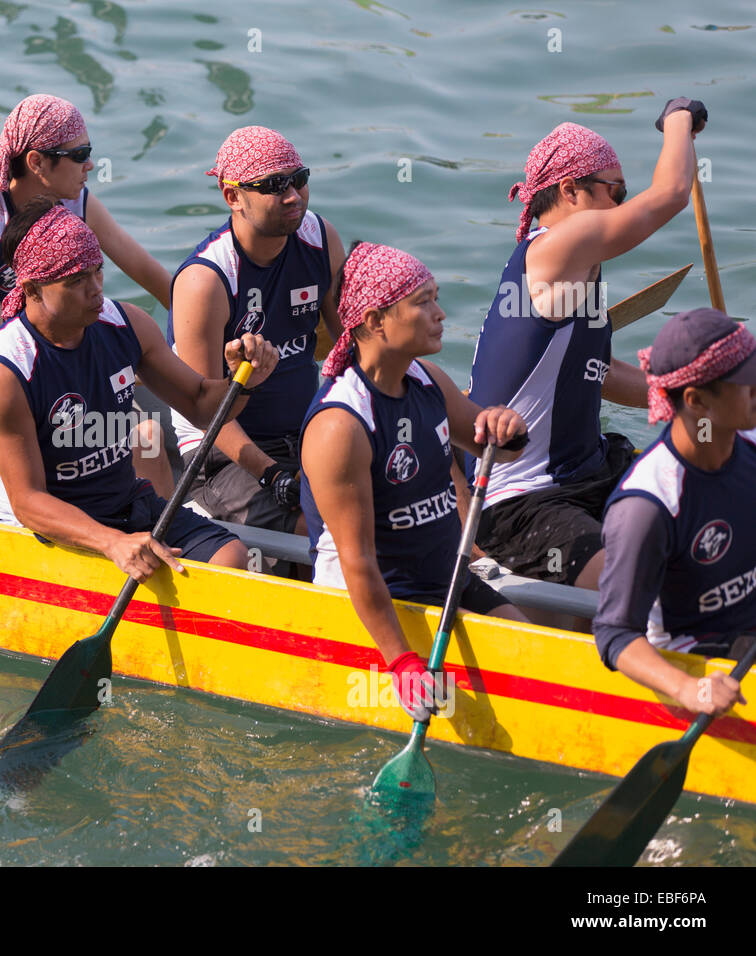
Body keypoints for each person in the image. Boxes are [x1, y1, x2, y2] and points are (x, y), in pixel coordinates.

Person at [0, 197, 280, 582]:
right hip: (46, 529)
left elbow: (201, 405)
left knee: (233, 558)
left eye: (97, 272)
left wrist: (242, 381)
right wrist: (111, 542)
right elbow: (29, 502)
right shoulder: (3, 373)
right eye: (76, 281)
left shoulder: (127, 324)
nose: (96, 289)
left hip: (125, 503)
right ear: (31, 290)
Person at [466, 98, 707, 595]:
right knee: (651, 587)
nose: (621, 204)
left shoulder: (576, 269)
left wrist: (695, 397)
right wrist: (679, 117)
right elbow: (670, 195)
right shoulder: (555, 248)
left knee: (713, 510)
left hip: (589, 470)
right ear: (569, 190)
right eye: (615, 191)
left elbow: (601, 373)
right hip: (523, 503)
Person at [300, 242, 529, 722]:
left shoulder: (427, 380)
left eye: (436, 298)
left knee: (531, 657)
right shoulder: (340, 426)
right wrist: (402, 662)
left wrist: (508, 425)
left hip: (448, 579)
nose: (440, 314)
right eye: (422, 302)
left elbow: (497, 443)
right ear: (374, 321)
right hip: (377, 600)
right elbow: (359, 562)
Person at [0, 94, 175, 495]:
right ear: (37, 162)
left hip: (58, 366)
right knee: (64, 451)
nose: (90, 165)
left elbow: (153, 277)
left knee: (146, 437)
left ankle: (163, 531)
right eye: (79, 154)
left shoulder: (77, 206)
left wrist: (213, 331)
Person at [168, 125, 345, 549]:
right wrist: (271, 474)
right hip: (221, 453)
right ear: (233, 197)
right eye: (273, 186)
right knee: (326, 533)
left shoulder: (319, 238)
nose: (293, 196)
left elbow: (350, 348)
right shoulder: (205, 281)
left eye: (299, 179)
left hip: (305, 435)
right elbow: (204, 412)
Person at [593, 308, 755, 716]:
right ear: (697, 400)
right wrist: (689, 690)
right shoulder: (648, 506)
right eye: (746, 382)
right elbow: (614, 635)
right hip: (701, 653)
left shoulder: (749, 443)